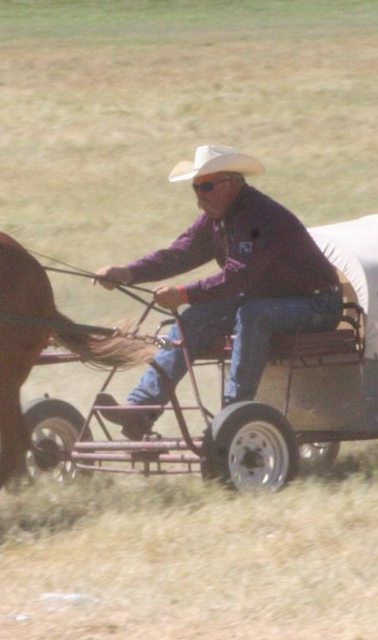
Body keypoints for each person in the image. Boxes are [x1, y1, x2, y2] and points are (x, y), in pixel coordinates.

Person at [92, 145, 341, 438]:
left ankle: (234, 412)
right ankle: (140, 410)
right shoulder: (215, 218)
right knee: (192, 319)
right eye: (196, 188)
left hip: (316, 304)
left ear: (232, 183)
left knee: (252, 315)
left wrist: (184, 293)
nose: (200, 196)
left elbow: (239, 276)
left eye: (206, 186)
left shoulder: (261, 217)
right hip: (262, 299)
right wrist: (128, 272)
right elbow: (178, 254)